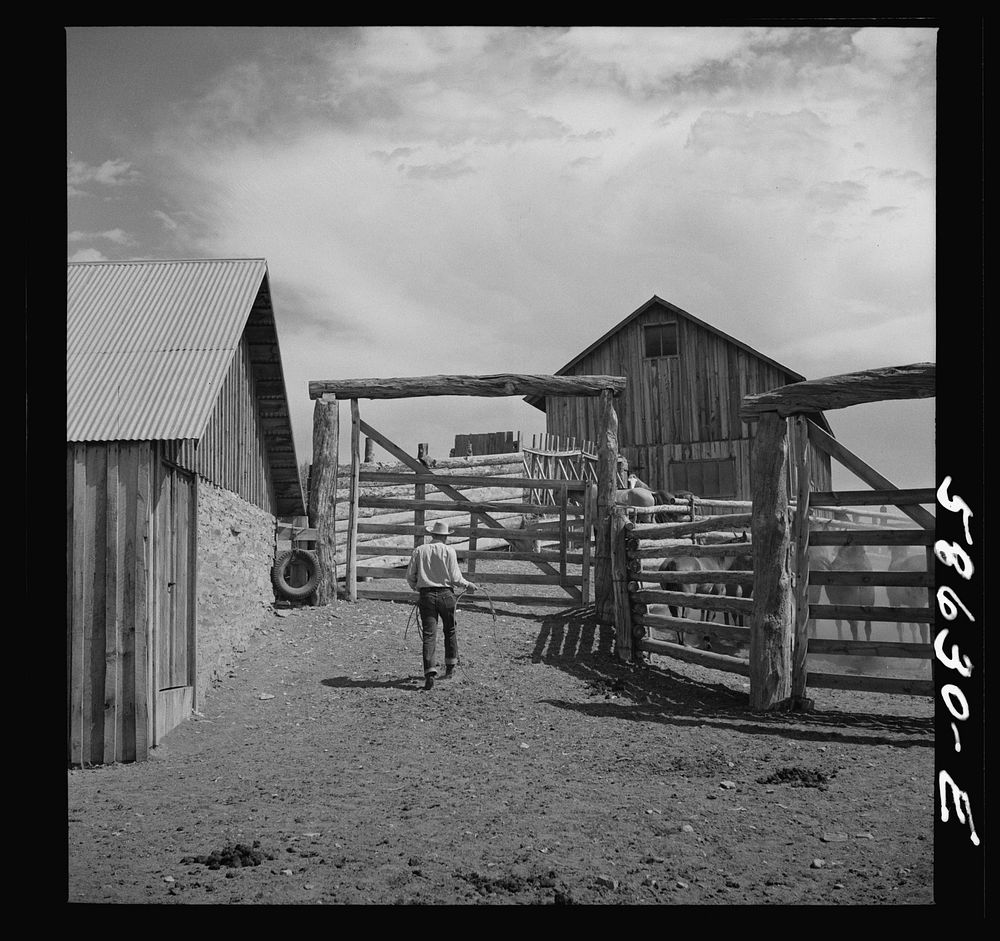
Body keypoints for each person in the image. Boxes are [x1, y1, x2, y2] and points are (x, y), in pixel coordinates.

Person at [406, 520, 478, 690]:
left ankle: (429, 671)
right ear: (445, 536)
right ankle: (451, 665)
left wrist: (419, 587)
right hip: (446, 595)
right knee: (450, 629)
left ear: (432, 535)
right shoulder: (449, 551)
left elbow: (410, 576)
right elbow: (455, 578)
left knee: (429, 634)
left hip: (427, 596)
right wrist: (468, 585)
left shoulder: (419, 551)